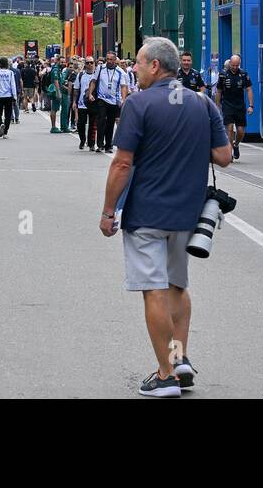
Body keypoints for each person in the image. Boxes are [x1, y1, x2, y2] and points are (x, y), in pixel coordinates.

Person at [100, 37, 232, 397]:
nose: (136, 70)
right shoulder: (202, 102)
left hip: (146, 212)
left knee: (153, 289)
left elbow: (123, 162)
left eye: (140, 64)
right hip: (187, 213)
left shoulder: (138, 104)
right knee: (177, 285)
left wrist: (108, 211)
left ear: (155, 66)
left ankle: (165, 374)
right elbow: (224, 156)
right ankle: (180, 357)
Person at [214, 55, 253, 160]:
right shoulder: (223, 75)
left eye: (237, 65)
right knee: (230, 128)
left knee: (240, 131)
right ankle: (229, 152)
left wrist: (251, 105)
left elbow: (249, 89)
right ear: (229, 64)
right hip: (227, 105)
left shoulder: (243, 74)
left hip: (240, 106)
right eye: (233, 65)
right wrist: (217, 107)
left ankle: (236, 144)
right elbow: (219, 91)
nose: (234, 67)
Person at [89, 51, 128, 154]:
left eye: (111, 59)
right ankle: (100, 144)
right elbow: (93, 81)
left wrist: (123, 100)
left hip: (114, 101)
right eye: (108, 59)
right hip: (102, 99)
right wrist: (90, 94)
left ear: (115, 60)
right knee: (101, 120)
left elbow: (124, 87)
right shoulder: (100, 69)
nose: (109, 61)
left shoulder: (121, 72)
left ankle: (108, 145)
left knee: (110, 124)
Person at [74, 57, 97, 151]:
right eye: (88, 63)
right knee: (80, 123)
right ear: (85, 64)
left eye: (91, 62)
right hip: (82, 103)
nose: (90, 65)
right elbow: (76, 89)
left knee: (92, 124)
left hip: (93, 103)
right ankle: (82, 140)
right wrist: (74, 102)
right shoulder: (80, 75)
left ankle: (91, 143)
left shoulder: (97, 75)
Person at [0, 55, 17, 137]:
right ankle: (5, 132)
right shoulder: (10, 73)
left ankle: (1, 123)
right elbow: (13, 85)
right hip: (8, 96)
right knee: (8, 114)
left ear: (0, 64)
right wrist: (15, 96)